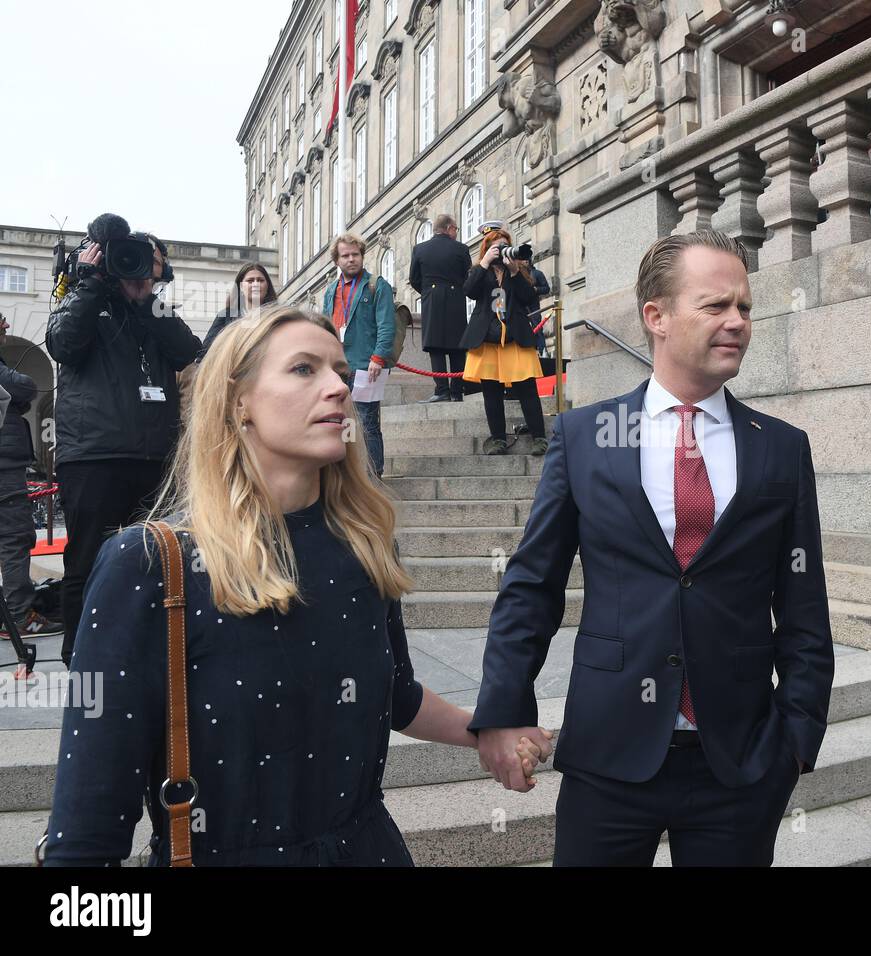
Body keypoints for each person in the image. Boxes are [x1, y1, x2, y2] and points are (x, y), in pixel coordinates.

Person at [41, 305, 551, 866]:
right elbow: (86, 835)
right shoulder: (146, 565)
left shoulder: (363, 543)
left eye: (338, 368)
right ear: (240, 403)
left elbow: (396, 696)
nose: (338, 385)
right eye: (305, 369)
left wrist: (487, 731)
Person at [470, 229, 835, 866]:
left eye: (744, 307)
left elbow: (805, 608)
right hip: (607, 756)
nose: (738, 322)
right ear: (656, 317)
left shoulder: (781, 448)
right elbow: (532, 585)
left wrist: (798, 736)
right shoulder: (586, 437)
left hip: (741, 766)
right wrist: (503, 709)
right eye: (715, 306)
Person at [46, 233, 201, 667]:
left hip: (154, 455)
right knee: (86, 561)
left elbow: (187, 350)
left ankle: (148, 652)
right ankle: (81, 659)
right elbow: (63, 344)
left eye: (148, 260)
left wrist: (143, 299)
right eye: (129, 259)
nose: (138, 267)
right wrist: (91, 283)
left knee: (155, 558)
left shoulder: (152, 308)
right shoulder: (83, 298)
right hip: (93, 455)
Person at [461, 226, 548, 456]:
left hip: (515, 338)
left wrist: (514, 272)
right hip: (487, 340)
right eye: (495, 247)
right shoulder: (480, 270)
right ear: (487, 249)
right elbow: (469, 291)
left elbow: (530, 298)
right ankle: (497, 439)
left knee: (527, 389)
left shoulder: (518, 270)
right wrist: (484, 263)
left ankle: (539, 437)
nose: (500, 251)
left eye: (503, 246)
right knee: (492, 392)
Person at [0, 313, 60, 638]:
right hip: (4, 468)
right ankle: (21, 616)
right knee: (15, 538)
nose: (7, 325)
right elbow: (23, 386)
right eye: (1, 321)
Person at [321, 233, 394, 477]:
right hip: (339, 368)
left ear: (362, 256)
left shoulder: (376, 285)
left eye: (355, 254)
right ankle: (350, 472)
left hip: (367, 365)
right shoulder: (331, 291)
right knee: (344, 420)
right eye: (345, 256)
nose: (351, 259)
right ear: (337, 261)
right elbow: (326, 327)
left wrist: (378, 358)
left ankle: (374, 474)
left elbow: (386, 326)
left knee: (368, 422)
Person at [408, 215, 472, 403]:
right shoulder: (461, 249)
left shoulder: (419, 249)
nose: (456, 233)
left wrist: (428, 291)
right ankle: (457, 392)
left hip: (432, 300)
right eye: (456, 229)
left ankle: (441, 390)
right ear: (450, 228)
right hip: (456, 299)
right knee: (457, 347)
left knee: (435, 346)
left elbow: (414, 278)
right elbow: (466, 276)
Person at [197, 262, 278, 361]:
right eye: (250, 281)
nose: (256, 284)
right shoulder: (226, 316)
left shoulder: (277, 317)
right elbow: (206, 351)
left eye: (260, 280)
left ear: (267, 287)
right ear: (241, 287)